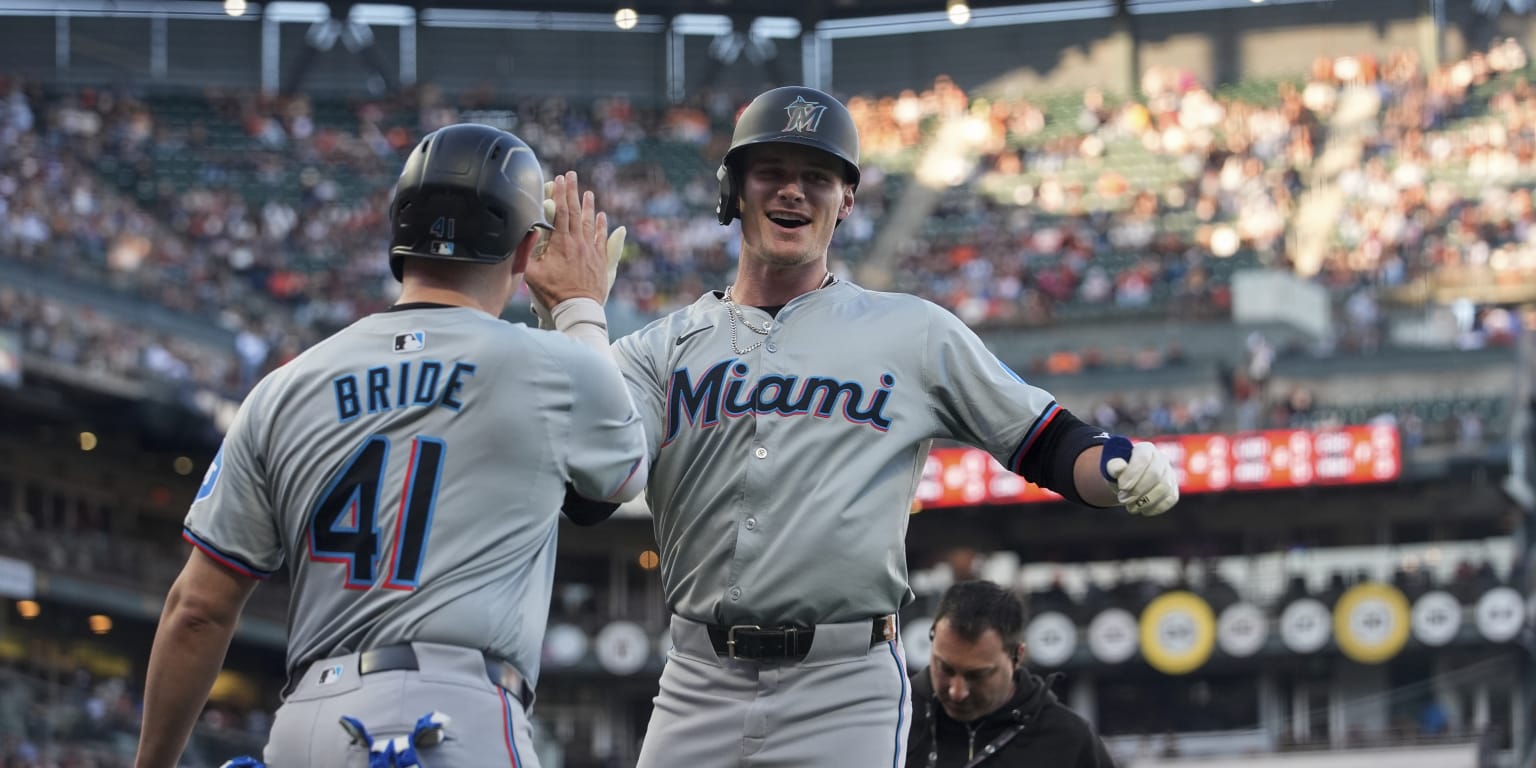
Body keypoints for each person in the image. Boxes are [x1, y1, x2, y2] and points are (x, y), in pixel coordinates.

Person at [567, 84, 1180, 767]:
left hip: (844, 684)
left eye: (818, 177)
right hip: (695, 676)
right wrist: (571, 318)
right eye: (772, 172)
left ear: (847, 201)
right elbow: (592, 495)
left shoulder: (911, 331)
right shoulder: (657, 349)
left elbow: (1048, 442)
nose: (793, 192)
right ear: (734, 189)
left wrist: (1121, 464)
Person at [132, 123, 647, 768]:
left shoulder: (285, 386)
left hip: (309, 722)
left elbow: (197, 611)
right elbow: (621, 476)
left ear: (396, 237)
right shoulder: (550, 363)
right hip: (455, 716)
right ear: (523, 252)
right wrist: (577, 309)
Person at [908, 580, 1115, 768]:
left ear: (1017, 656)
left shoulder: (1070, 741)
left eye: (977, 675)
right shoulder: (895, 719)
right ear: (932, 637)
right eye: (945, 668)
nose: (957, 692)